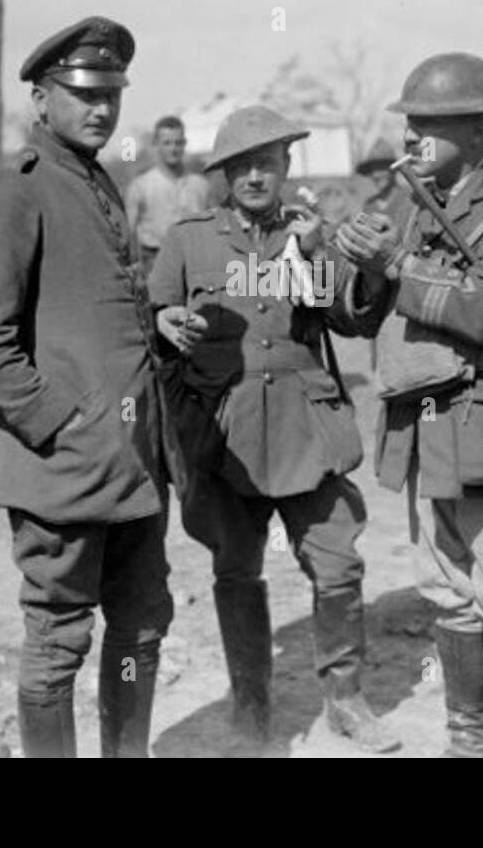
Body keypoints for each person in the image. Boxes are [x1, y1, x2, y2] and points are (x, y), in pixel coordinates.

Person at [331, 52, 483, 757]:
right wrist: (361, 266)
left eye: (429, 124)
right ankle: (469, 742)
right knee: (448, 594)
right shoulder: (409, 201)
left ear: (480, 129)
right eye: (409, 123)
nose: (410, 137)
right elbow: (363, 318)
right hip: (427, 430)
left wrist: (395, 267)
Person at [150, 105, 401, 755]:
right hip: (224, 430)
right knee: (236, 570)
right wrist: (163, 320)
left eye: (269, 162)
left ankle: (345, 700)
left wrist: (333, 257)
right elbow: (152, 314)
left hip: (305, 427)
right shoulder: (188, 239)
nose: (257, 175)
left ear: (288, 167)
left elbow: (352, 321)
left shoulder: (311, 233)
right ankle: (251, 702)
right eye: (243, 166)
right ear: (225, 175)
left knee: (338, 563)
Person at [0, 16, 172, 758]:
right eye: (83, 92)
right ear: (41, 100)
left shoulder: (96, 181)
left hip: (134, 463)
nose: (102, 108)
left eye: (111, 92)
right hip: (65, 469)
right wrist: (60, 422)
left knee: (143, 624)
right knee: (57, 640)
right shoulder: (16, 191)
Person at [126, 115, 212, 276]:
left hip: (196, 263)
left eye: (178, 143)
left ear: (185, 144)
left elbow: (213, 227)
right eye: (167, 143)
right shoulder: (141, 186)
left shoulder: (201, 185)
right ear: (156, 145)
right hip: (155, 263)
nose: (173, 149)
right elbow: (128, 232)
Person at [355, 137, 411, 227]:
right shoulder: (369, 205)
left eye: (381, 168)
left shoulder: (410, 198)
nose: (376, 175)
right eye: (372, 169)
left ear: (393, 170)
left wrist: (391, 227)